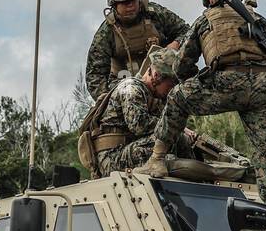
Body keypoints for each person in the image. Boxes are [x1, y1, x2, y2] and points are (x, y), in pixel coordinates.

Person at [136, 0, 266, 202]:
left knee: (177, 97)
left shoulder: (207, 18)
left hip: (228, 81)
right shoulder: (258, 20)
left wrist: (191, 78)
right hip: (264, 87)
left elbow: (182, 65)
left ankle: (156, 161)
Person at [80, 47, 247, 178]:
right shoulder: (131, 88)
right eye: (172, 83)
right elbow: (139, 125)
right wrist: (176, 128)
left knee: (183, 140)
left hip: (127, 150)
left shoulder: (154, 97)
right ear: (157, 76)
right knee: (171, 137)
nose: (173, 89)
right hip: (111, 158)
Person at [84, 0, 188, 99]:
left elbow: (186, 31)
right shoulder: (106, 33)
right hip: (126, 90)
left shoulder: (155, 14)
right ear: (114, 5)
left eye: (133, 0)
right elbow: (94, 75)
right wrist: (108, 100)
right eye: (125, 2)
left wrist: (175, 44)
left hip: (163, 81)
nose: (131, 6)